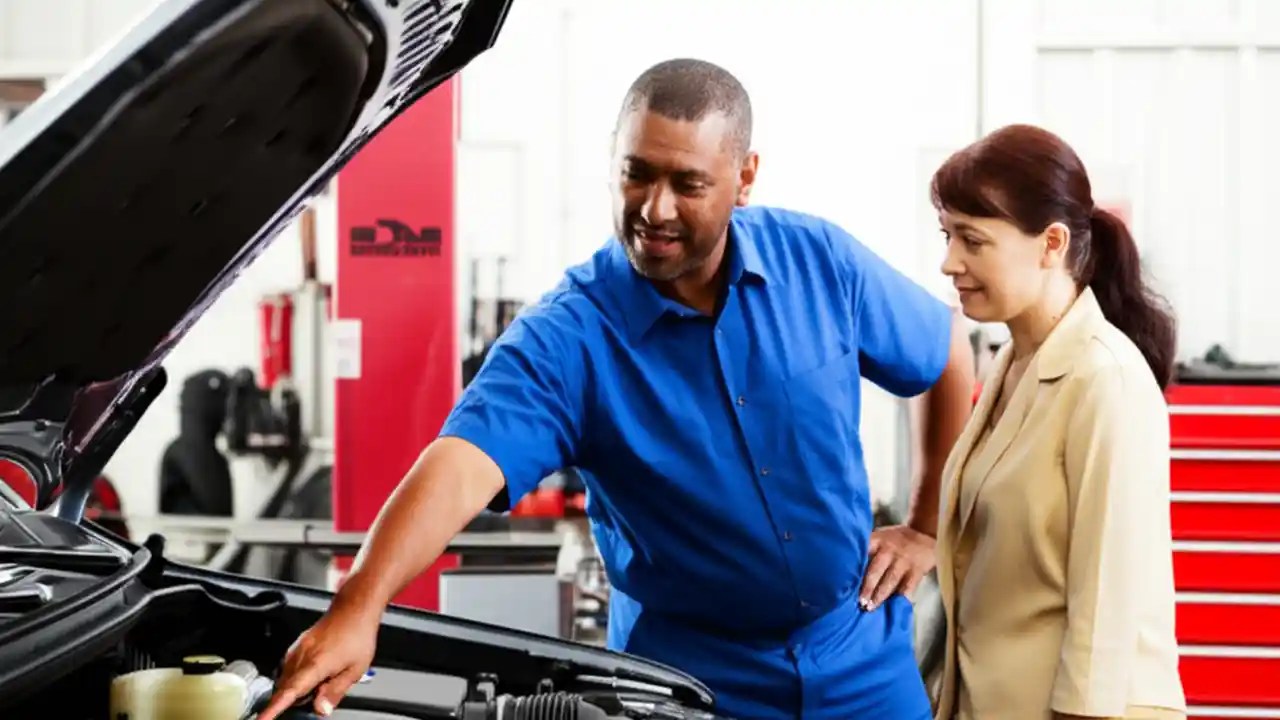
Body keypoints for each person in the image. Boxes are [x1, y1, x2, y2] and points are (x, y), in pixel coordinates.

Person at [259, 58, 975, 720]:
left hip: (859, 662)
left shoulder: (817, 261)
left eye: (688, 184)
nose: (655, 209)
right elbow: (461, 462)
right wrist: (361, 603)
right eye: (637, 174)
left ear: (744, 177)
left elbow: (943, 349)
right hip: (691, 685)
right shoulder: (572, 334)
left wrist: (924, 524)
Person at [928, 124, 1186, 720]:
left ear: (1051, 243)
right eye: (946, 235)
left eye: (972, 240)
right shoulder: (1011, 364)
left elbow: (1107, 598)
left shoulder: (1105, 379)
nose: (949, 262)